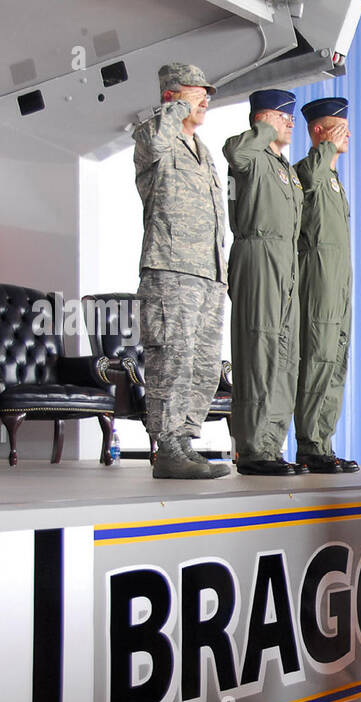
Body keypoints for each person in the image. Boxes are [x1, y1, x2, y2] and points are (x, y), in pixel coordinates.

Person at [131, 62, 230, 480]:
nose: (205, 98)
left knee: (202, 363)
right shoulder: (154, 134)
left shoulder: (202, 150)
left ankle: (185, 443)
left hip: (207, 272)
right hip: (170, 268)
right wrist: (173, 109)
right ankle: (167, 446)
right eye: (195, 92)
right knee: (172, 357)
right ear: (172, 95)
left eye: (206, 92)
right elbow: (153, 143)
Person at [223, 89, 307, 476]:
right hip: (257, 256)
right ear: (263, 118)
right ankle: (253, 448)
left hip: (285, 261)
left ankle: (272, 444)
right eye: (282, 116)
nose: (290, 123)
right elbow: (234, 151)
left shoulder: (285, 168)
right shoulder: (249, 154)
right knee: (258, 349)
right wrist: (262, 129)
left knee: (284, 356)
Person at [294, 97, 358, 473]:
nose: (347, 132)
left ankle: (324, 441)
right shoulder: (308, 171)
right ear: (318, 132)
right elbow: (306, 182)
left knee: (336, 360)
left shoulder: (333, 180)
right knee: (317, 358)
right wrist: (325, 150)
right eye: (337, 126)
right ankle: (309, 444)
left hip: (340, 283)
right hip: (317, 279)